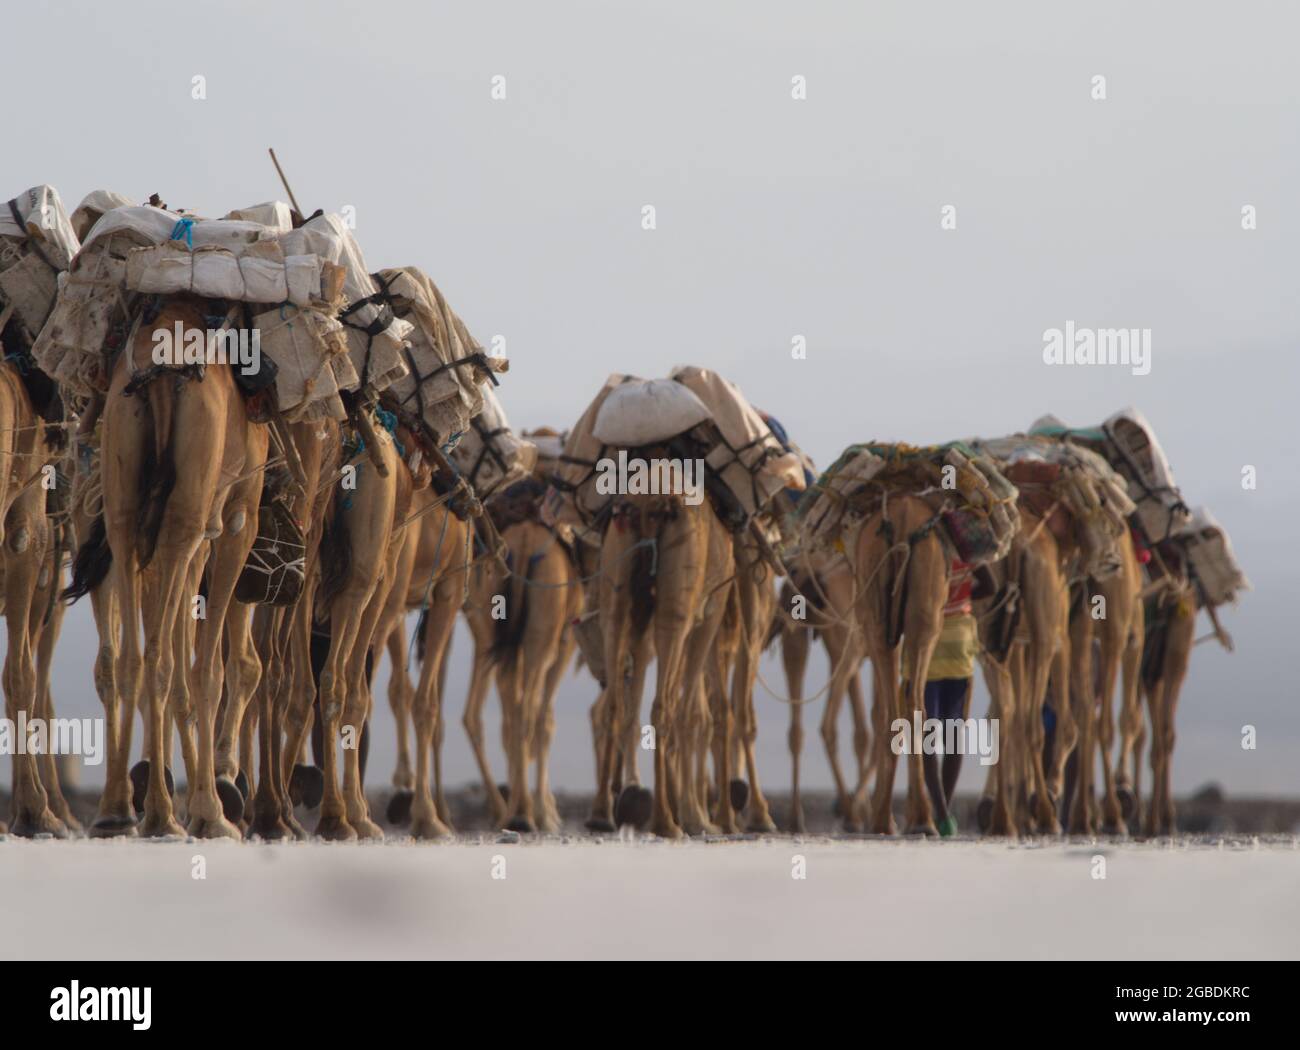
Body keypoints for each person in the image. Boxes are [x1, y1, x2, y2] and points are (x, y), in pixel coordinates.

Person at [902, 558, 993, 836]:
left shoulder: (916, 549)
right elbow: (990, 585)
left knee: (926, 734)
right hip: (961, 646)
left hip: (925, 647)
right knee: (954, 734)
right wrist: (962, 596)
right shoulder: (964, 546)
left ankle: (939, 812)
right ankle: (945, 812)